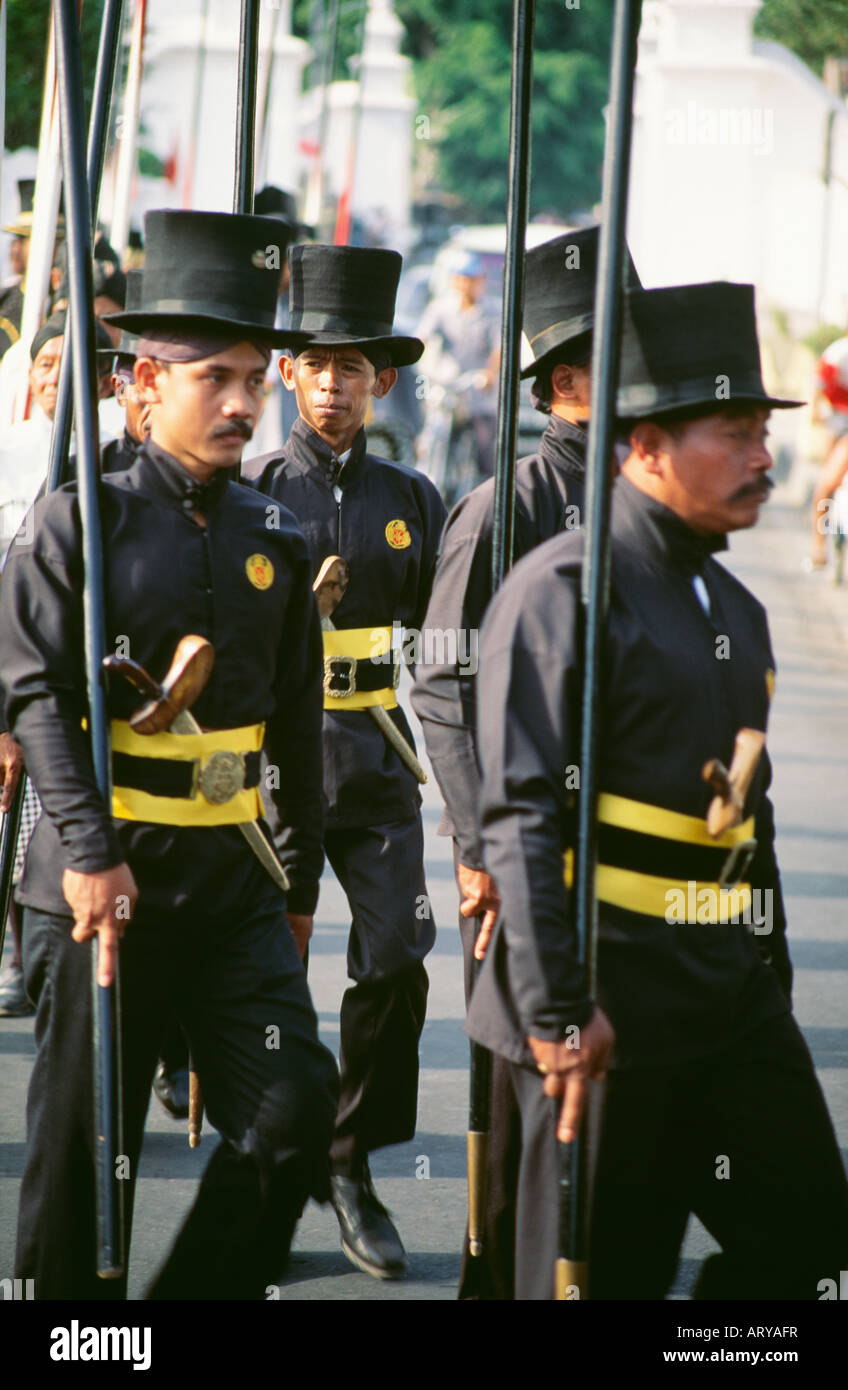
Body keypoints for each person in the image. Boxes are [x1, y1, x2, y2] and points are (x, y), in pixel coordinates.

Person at [467, 280, 848, 1301]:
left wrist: (765, 971)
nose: (765, 457)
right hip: (603, 996)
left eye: (761, 433)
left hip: (723, 998)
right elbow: (519, 815)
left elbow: (750, 817)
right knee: (602, 1276)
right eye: (735, 433)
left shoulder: (735, 607)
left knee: (808, 1236)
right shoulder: (561, 593)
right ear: (644, 446)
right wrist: (558, 1005)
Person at [0, 208, 339, 1300]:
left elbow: (297, 727)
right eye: (214, 380)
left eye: (253, 379)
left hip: (233, 890)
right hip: (103, 886)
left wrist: (299, 883)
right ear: (145, 383)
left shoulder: (274, 536)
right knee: (86, 1165)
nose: (242, 402)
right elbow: (35, 696)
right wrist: (91, 854)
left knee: (294, 1114)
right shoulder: (76, 526)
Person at [411, 226, 639, 1298]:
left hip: (627, 856)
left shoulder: (648, 505)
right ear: (561, 381)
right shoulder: (505, 506)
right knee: (515, 1104)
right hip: (516, 848)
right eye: (611, 352)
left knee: (606, 1102)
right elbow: (439, 683)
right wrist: (476, 842)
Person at [247, 243, 446, 1279]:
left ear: (384, 382)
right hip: (274, 776)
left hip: (375, 764)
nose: (333, 384)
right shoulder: (250, 494)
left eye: (353, 368)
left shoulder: (412, 497)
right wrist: (292, 614)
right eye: (317, 365)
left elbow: (450, 646)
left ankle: (351, 1160)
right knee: (264, 985)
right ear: (287, 372)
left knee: (398, 960)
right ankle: (269, 1175)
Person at [415, 249, 500, 499]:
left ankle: (486, 498)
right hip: (448, 388)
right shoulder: (441, 309)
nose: (467, 285)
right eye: (462, 279)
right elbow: (422, 337)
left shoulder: (492, 311)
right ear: (454, 281)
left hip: (478, 392)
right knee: (432, 436)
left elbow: (499, 349)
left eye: (473, 279)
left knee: (485, 453)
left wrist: (489, 374)